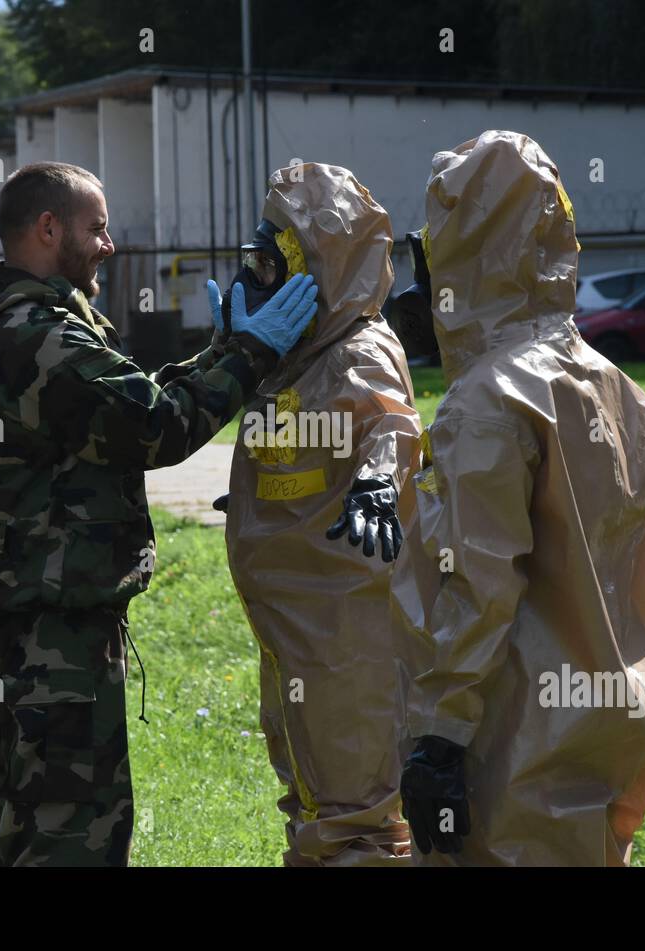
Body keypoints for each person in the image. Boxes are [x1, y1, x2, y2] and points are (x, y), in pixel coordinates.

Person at [0, 161, 318, 866]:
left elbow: (126, 398)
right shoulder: (40, 337)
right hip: (48, 635)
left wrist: (224, 348)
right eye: (96, 228)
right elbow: (155, 424)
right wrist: (253, 354)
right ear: (48, 229)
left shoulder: (24, 323)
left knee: (26, 830)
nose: (108, 244)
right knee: (70, 837)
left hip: (24, 622)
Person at [389, 131, 645, 866]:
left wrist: (439, 738)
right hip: (615, 716)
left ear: (468, 249)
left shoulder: (487, 402)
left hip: (513, 733)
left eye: (431, 251)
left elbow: (478, 581)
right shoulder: (622, 391)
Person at [214, 163, 421, 865]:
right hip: (291, 627)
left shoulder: (358, 349)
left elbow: (390, 425)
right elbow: (293, 452)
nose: (251, 277)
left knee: (354, 806)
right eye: (251, 260)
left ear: (319, 265)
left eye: (266, 262)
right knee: (309, 786)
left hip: (344, 625)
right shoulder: (291, 359)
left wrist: (376, 484)